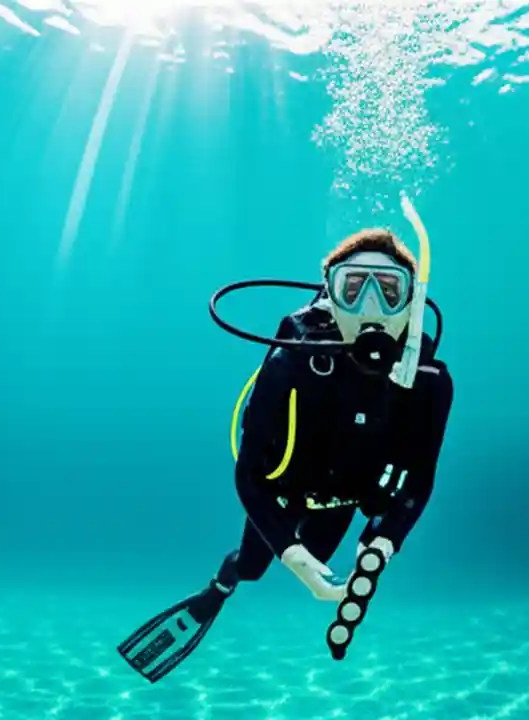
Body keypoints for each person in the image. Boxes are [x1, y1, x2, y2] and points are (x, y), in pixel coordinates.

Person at [118, 225, 454, 683]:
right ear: (330, 295)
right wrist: (289, 553)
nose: (370, 305)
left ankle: (298, 553)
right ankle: (220, 588)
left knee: (320, 551)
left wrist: (385, 537)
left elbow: (419, 479)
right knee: (255, 566)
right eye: (352, 288)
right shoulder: (292, 360)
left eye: (389, 290)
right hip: (281, 491)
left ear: (412, 302)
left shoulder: (429, 380)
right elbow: (249, 475)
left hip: (347, 499)